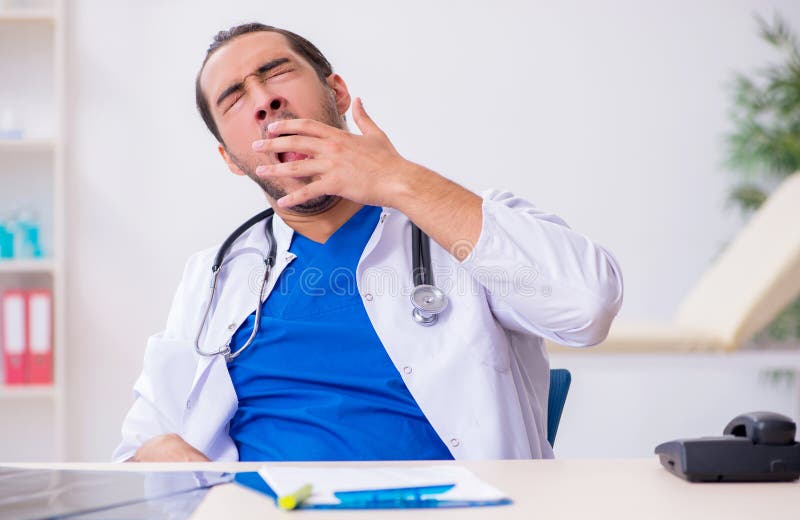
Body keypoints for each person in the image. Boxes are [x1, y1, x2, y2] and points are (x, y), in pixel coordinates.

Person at [113, 23, 623, 463]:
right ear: (229, 157)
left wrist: (398, 180)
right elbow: (142, 442)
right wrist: (165, 459)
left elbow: (587, 307)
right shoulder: (214, 276)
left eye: (277, 73)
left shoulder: (462, 224)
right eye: (234, 98)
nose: (264, 100)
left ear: (337, 93)